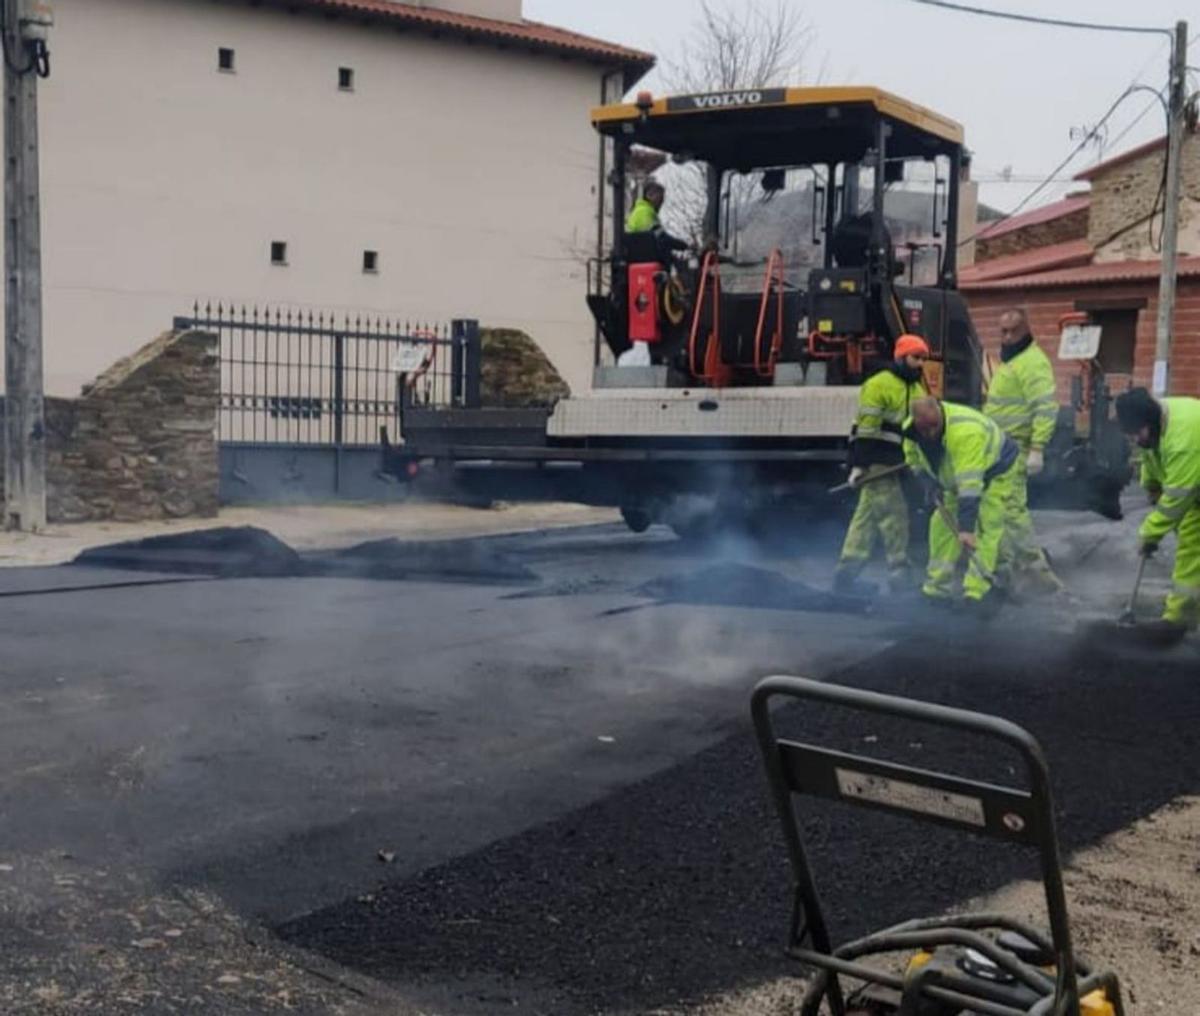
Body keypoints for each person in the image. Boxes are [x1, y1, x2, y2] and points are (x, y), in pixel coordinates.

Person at [903, 396, 1020, 613]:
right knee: (941, 526)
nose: (929, 435)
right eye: (924, 430)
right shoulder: (911, 431)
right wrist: (929, 483)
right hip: (956, 476)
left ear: (939, 414)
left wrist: (966, 529)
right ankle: (937, 589)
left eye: (933, 428)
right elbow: (912, 459)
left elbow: (970, 484)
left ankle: (976, 593)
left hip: (994, 470)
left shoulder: (966, 432)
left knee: (986, 527)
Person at [833, 334, 930, 595]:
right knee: (894, 514)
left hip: (897, 462)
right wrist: (859, 464)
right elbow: (867, 428)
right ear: (901, 357)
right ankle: (901, 575)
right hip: (877, 461)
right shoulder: (879, 385)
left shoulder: (917, 390)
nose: (920, 363)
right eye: (916, 357)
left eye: (923, 358)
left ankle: (846, 573)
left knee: (865, 518)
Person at [983, 308, 1064, 594]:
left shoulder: (1032, 363)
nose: (1006, 337)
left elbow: (1044, 407)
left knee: (1012, 510)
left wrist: (1037, 448)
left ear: (1025, 330)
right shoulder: (1012, 361)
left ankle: (1039, 575)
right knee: (997, 511)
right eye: (1002, 331)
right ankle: (1005, 570)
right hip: (998, 448)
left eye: (1012, 331)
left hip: (1015, 449)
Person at [1115, 388, 1200, 645]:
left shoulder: (1184, 437)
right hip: (1195, 489)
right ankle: (1178, 619)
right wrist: (1151, 486)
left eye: (1136, 433)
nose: (1135, 440)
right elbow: (1152, 457)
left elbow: (1176, 499)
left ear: (1148, 423)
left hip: (1191, 483)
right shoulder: (1154, 425)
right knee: (1190, 550)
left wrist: (1150, 533)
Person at [625, 180, 689, 262]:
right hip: (644, 260)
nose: (662, 201)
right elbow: (661, 237)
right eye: (660, 198)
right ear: (649, 195)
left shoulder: (642, 211)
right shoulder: (644, 212)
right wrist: (684, 246)